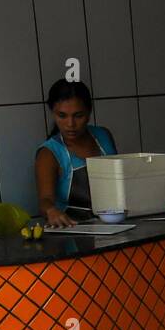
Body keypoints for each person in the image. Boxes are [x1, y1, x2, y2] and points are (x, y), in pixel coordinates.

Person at [35, 80, 117, 229]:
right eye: (62, 116)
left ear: (89, 113)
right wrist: (51, 211)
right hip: (74, 231)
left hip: (113, 225)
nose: (70, 124)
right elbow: (45, 200)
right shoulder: (49, 153)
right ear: (53, 113)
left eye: (78, 116)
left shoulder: (103, 136)